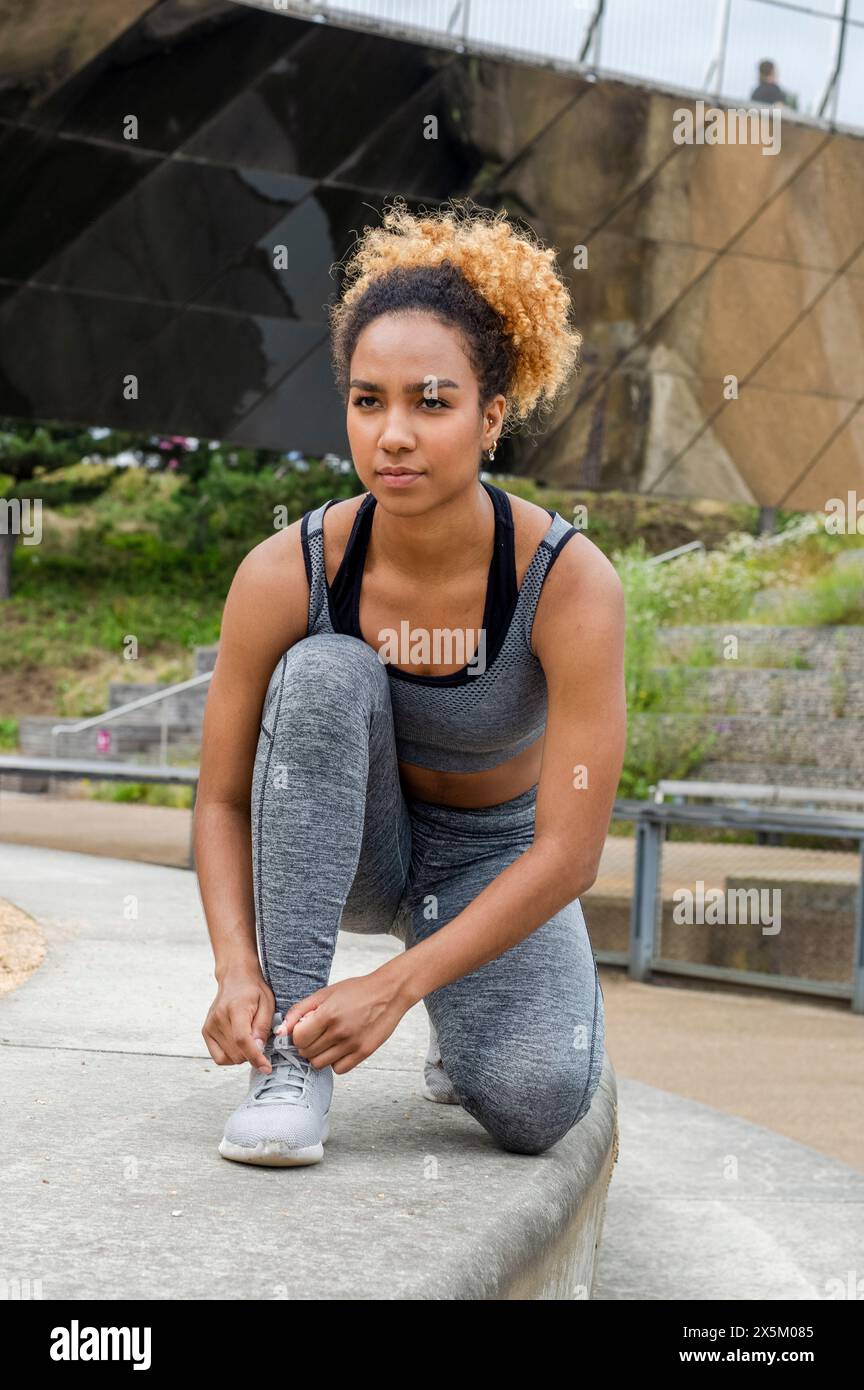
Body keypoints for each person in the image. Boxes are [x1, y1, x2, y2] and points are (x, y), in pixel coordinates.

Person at [196, 196, 627, 1166]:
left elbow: (571, 854)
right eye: (367, 399)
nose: (393, 433)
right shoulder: (286, 571)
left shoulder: (567, 581)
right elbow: (222, 798)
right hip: (354, 848)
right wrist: (236, 968)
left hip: (493, 858)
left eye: (430, 402)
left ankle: (461, 1011)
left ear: (492, 417)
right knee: (325, 671)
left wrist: (396, 987)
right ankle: (290, 1068)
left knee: (536, 1103)